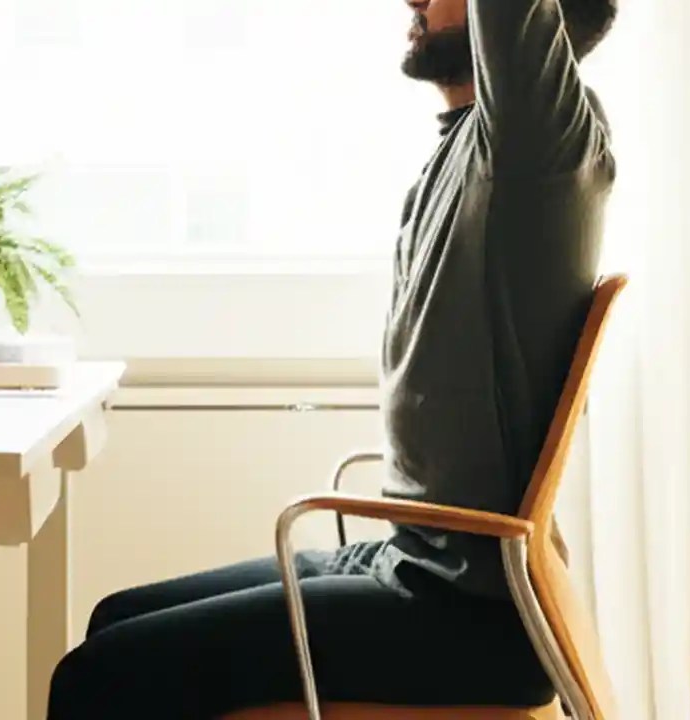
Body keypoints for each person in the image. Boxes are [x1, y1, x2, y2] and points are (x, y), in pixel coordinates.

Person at [47, 0, 617, 716]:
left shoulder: (543, 151)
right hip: (414, 565)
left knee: (96, 681)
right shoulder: (472, 152)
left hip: (471, 616)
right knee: (113, 621)